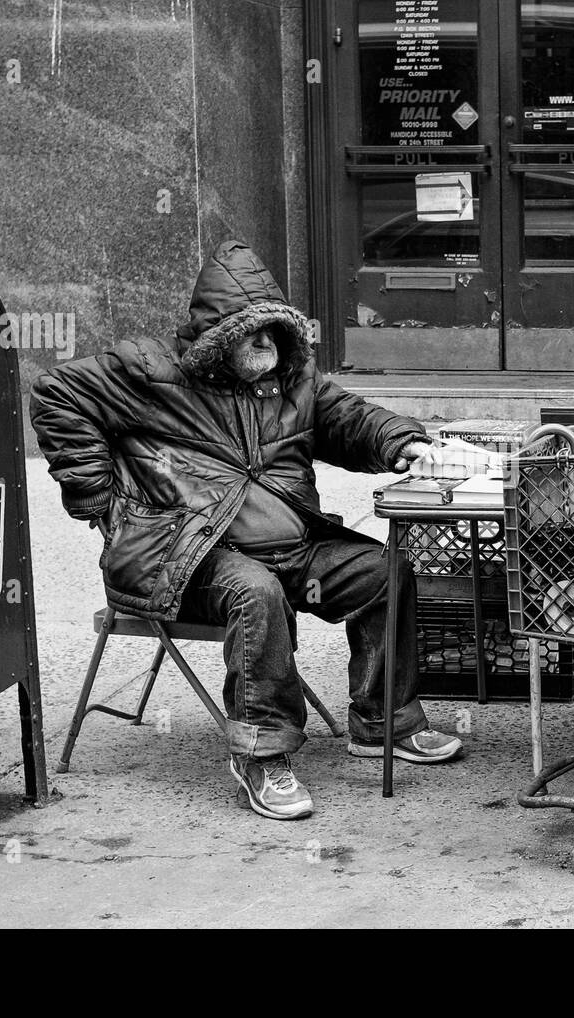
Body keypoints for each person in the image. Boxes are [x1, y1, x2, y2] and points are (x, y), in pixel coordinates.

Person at [30, 240, 462, 821]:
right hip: (192, 558)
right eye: (253, 334)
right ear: (220, 337)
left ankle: (384, 720)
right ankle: (263, 753)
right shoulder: (150, 372)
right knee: (256, 592)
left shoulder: (291, 376)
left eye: (276, 334)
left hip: (296, 550)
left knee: (384, 573)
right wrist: (100, 502)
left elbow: (351, 418)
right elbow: (54, 392)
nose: (268, 345)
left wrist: (402, 442)